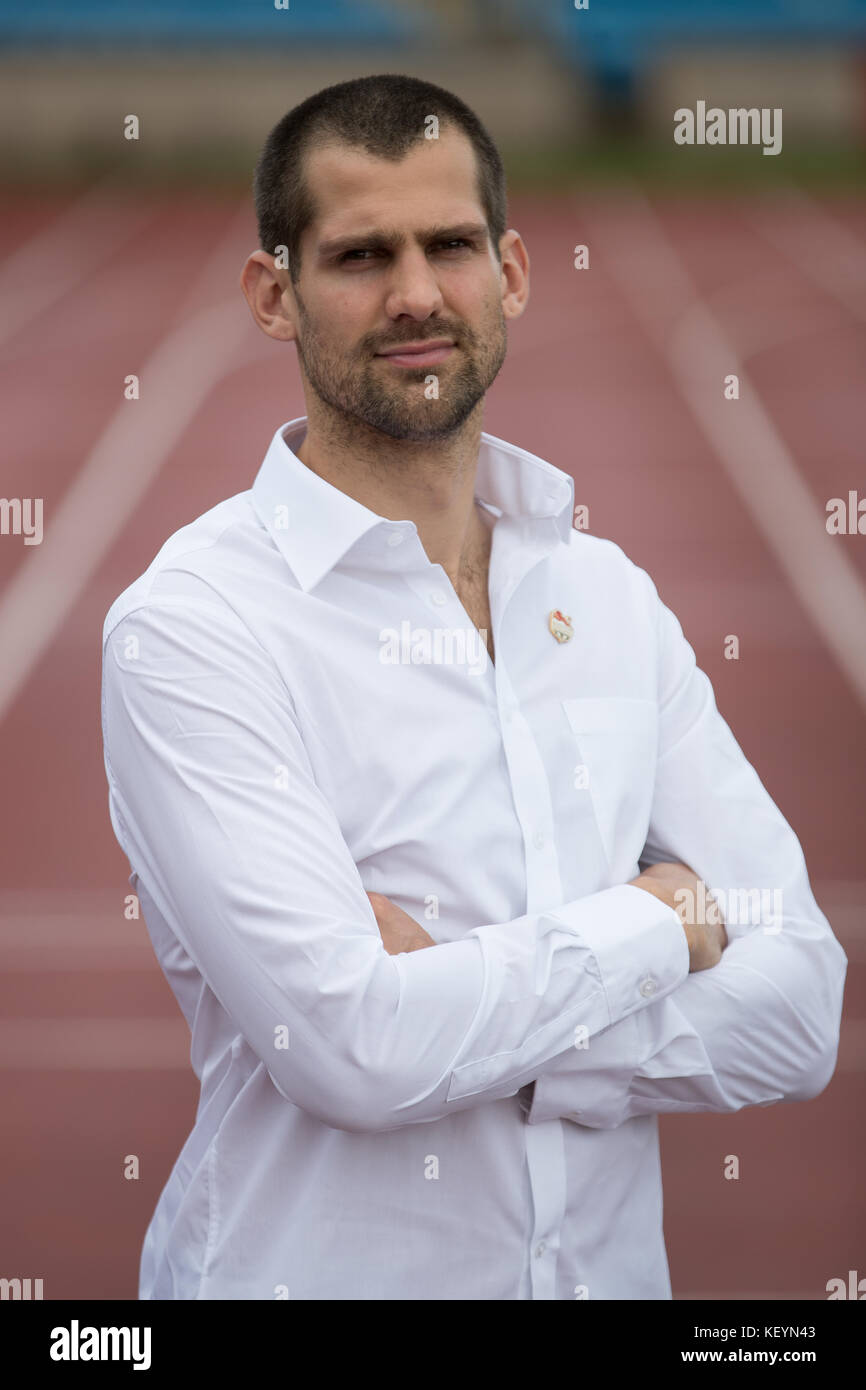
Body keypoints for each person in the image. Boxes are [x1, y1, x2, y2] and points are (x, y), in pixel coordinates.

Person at [100, 74, 846, 1300]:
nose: (413, 294)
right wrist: (657, 924)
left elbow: (801, 1001)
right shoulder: (193, 631)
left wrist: (477, 1014)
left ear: (509, 272)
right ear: (271, 293)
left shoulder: (606, 598)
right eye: (358, 255)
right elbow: (348, 1048)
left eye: (447, 245)